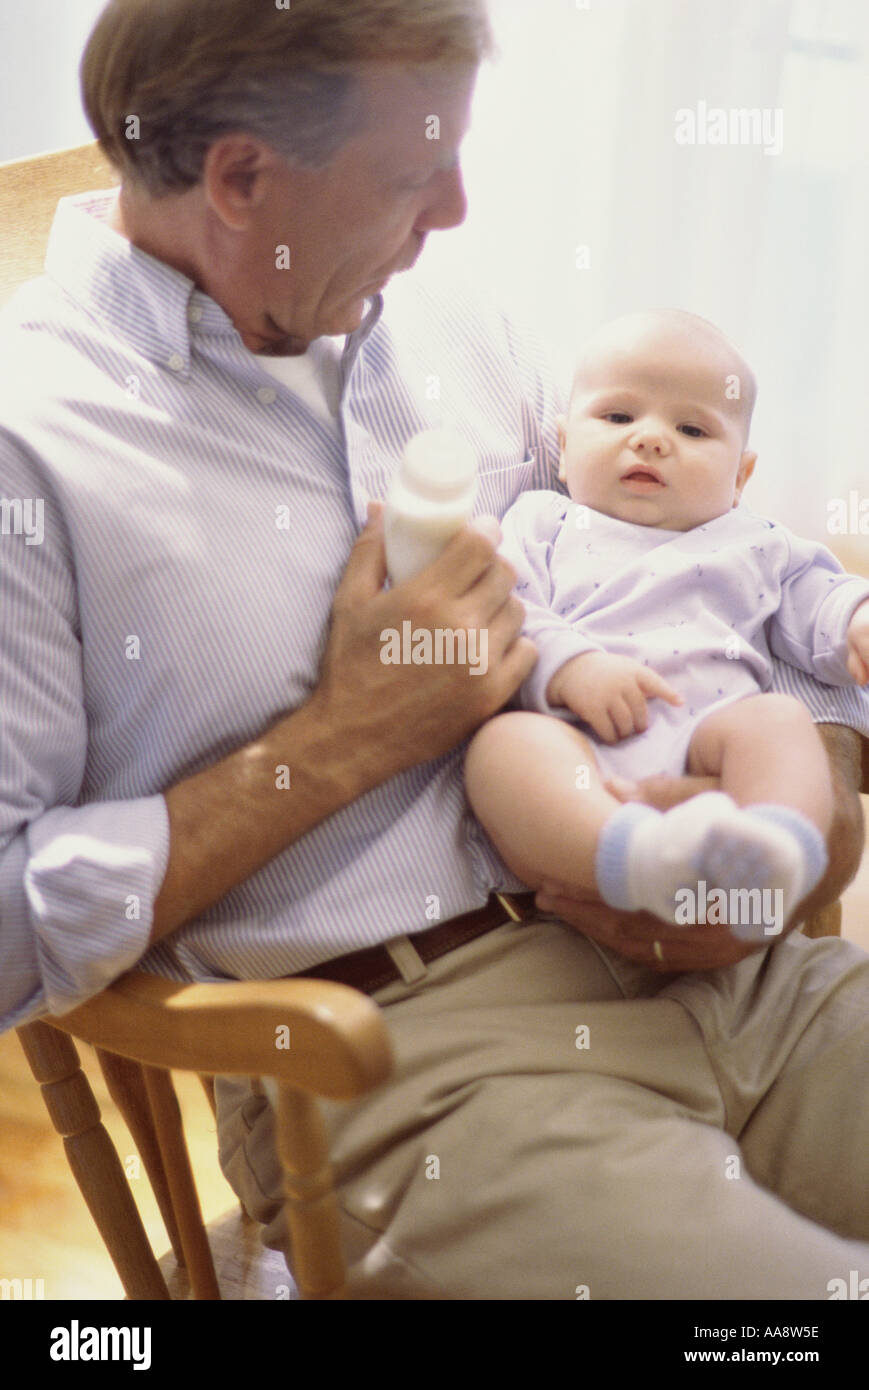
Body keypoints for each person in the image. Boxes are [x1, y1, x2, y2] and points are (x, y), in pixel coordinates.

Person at [1, 0, 868, 1299]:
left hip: (734, 972)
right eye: (417, 167)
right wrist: (342, 737)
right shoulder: (34, 450)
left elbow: (682, 559)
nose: (457, 207)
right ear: (241, 177)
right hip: (401, 1056)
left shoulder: (449, 320)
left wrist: (794, 801)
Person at [465, 309, 869, 943]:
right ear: (564, 449)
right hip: (578, 742)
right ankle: (640, 861)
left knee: (780, 723)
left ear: (739, 477)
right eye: (619, 417)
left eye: (691, 428)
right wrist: (571, 666)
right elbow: (504, 609)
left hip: (711, 733)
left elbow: (817, 598)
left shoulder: (756, 542)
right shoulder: (543, 521)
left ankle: (775, 849)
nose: (652, 439)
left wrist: (855, 620)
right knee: (501, 750)